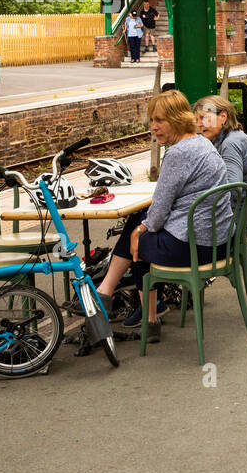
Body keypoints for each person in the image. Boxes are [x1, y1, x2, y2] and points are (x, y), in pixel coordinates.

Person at [94, 90, 231, 344]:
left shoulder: (178, 153)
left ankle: (114, 298)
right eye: (151, 121)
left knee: (139, 236)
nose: (154, 128)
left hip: (193, 248)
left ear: (178, 119)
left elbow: (158, 214)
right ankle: (139, 312)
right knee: (140, 227)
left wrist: (140, 230)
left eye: (160, 120)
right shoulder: (202, 143)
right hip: (218, 243)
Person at [193, 94, 247, 186]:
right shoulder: (231, 136)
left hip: (241, 200)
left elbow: (233, 188)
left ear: (223, 117)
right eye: (197, 120)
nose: (199, 124)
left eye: (204, 118)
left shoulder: (230, 143)